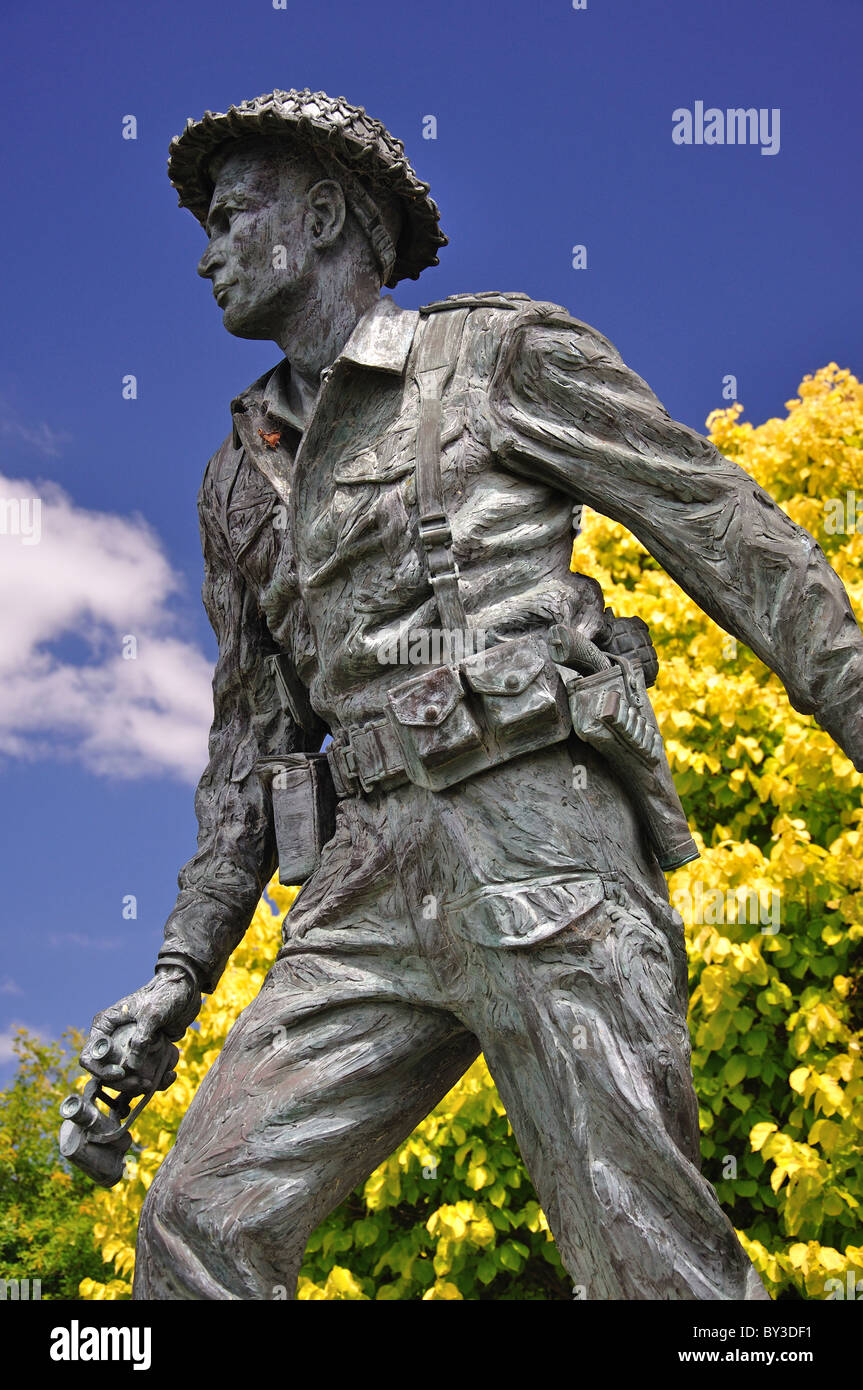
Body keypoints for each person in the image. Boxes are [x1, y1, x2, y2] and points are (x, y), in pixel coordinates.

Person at [81, 89, 863, 1300]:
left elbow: (721, 530)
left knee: (648, 1263)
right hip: (365, 891)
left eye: (236, 215)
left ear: (329, 212)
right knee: (196, 1223)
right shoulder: (235, 482)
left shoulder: (494, 355)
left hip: (536, 838)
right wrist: (178, 977)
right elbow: (249, 756)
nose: (206, 252)